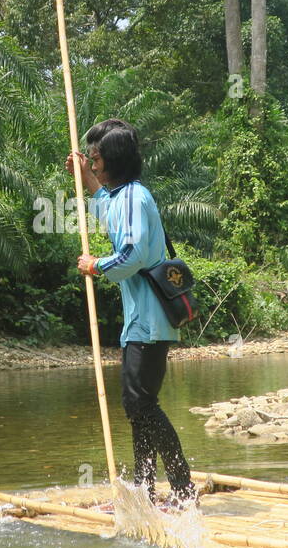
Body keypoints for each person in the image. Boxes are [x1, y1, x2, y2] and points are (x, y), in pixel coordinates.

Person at [66, 118, 197, 508]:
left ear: (113, 160)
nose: (91, 162)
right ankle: (143, 492)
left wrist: (96, 266)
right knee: (138, 408)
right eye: (90, 157)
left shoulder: (137, 198)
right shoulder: (120, 195)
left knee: (140, 404)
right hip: (139, 319)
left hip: (150, 321)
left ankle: (184, 492)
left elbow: (132, 256)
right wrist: (84, 179)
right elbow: (106, 208)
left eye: (95, 157)